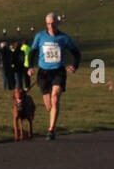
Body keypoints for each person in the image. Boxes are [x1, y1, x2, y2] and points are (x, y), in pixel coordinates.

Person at [27, 12, 81, 140]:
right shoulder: (40, 36)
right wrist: (30, 66)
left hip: (58, 71)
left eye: (53, 23)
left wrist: (74, 65)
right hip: (44, 72)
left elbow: (76, 53)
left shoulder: (64, 38)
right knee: (48, 105)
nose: (51, 26)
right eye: (48, 23)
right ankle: (52, 116)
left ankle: (51, 130)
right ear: (46, 24)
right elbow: (32, 52)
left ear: (58, 23)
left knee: (55, 98)